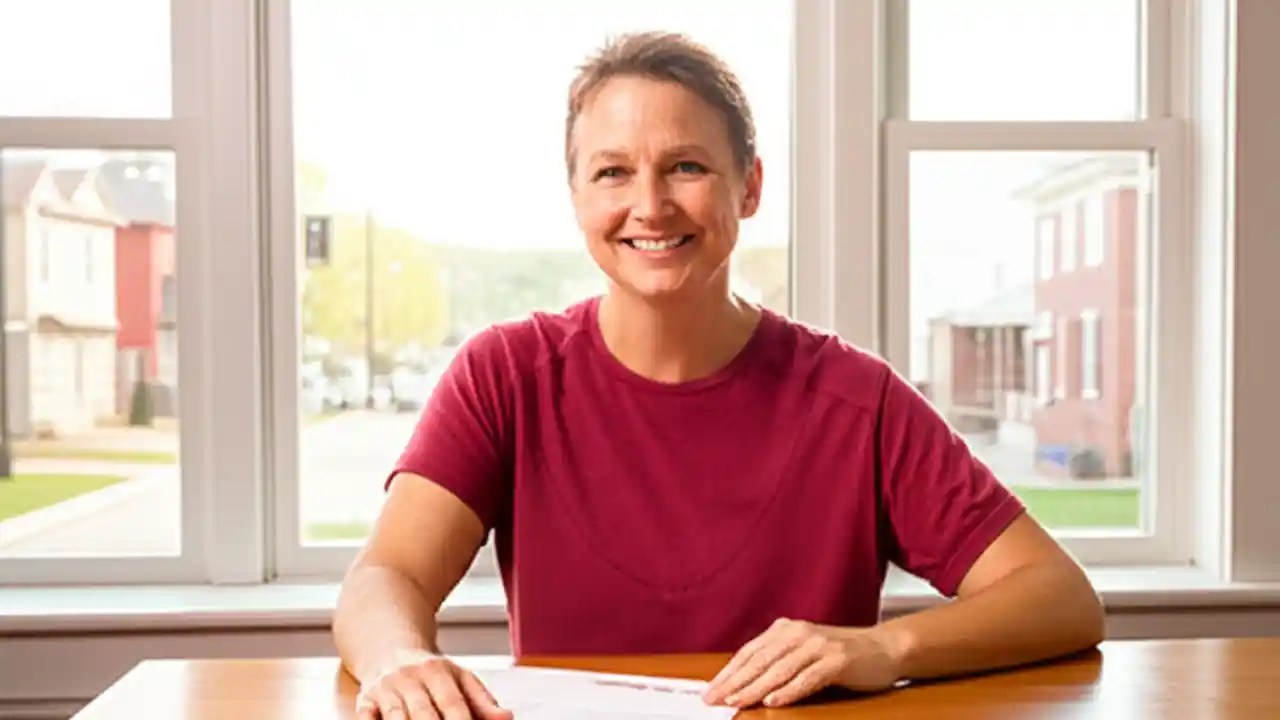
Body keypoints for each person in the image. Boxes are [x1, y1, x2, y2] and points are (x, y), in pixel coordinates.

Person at [334, 31, 1106, 720]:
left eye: (687, 167)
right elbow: (387, 576)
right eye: (612, 172)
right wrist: (399, 657)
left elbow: (1058, 597)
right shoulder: (505, 375)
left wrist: (886, 649)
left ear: (750, 186)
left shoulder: (856, 400)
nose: (650, 205)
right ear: (576, 196)